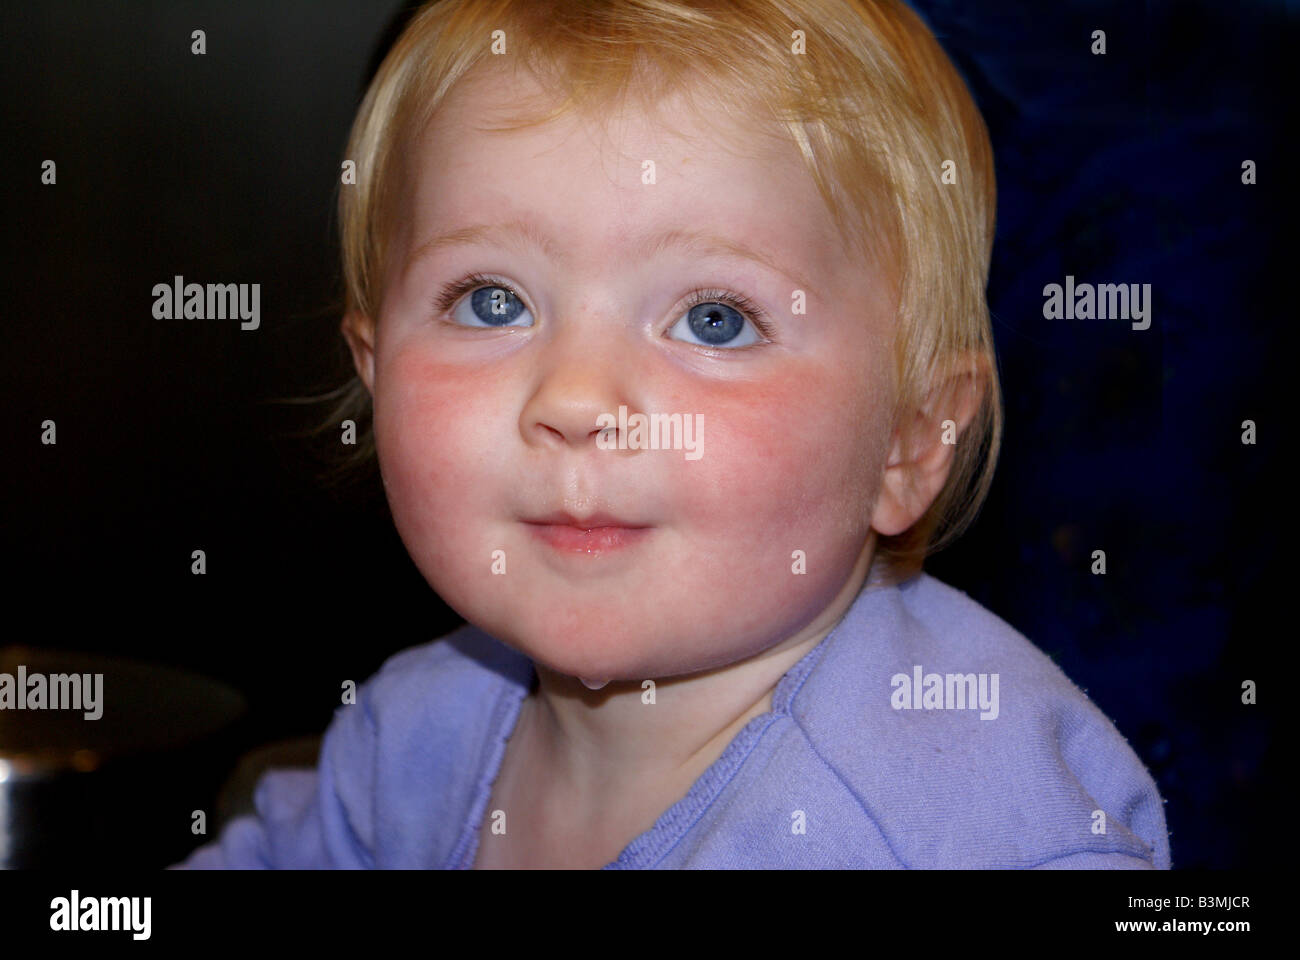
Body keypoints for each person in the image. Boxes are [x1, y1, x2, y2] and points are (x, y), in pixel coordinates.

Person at [175, 0, 1170, 869]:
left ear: (907, 441)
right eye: (490, 301)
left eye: (713, 320)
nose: (574, 397)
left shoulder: (972, 826)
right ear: (373, 367)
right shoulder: (416, 730)